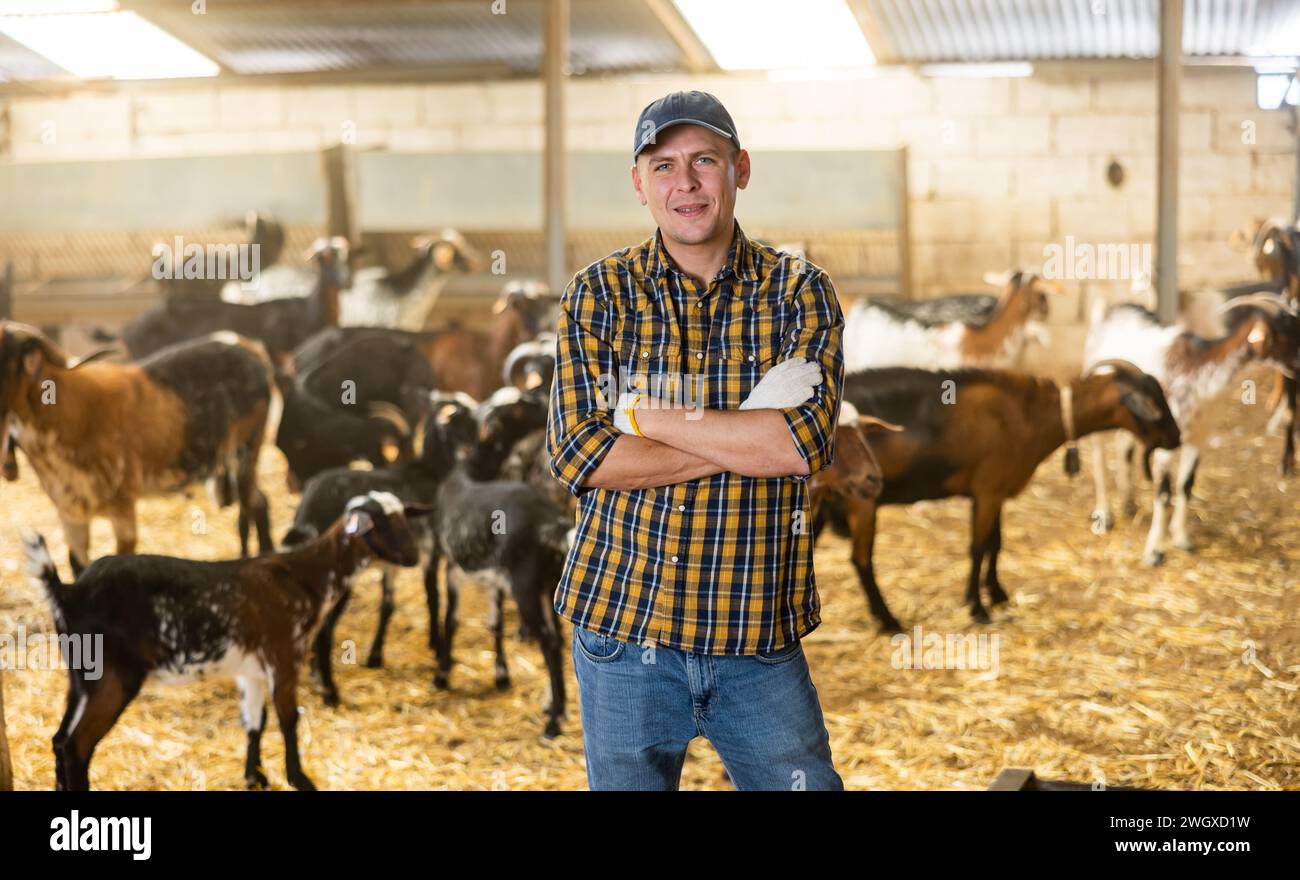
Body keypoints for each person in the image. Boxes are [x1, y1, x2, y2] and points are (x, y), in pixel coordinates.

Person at [546, 90, 845, 791]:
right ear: (639, 184)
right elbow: (580, 456)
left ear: (739, 168)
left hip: (755, 637)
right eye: (664, 165)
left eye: (704, 160)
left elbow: (800, 449)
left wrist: (645, 417)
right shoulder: (597, 296)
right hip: (622, 631)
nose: (685, 183)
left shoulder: (799, 293)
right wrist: (747, 422)